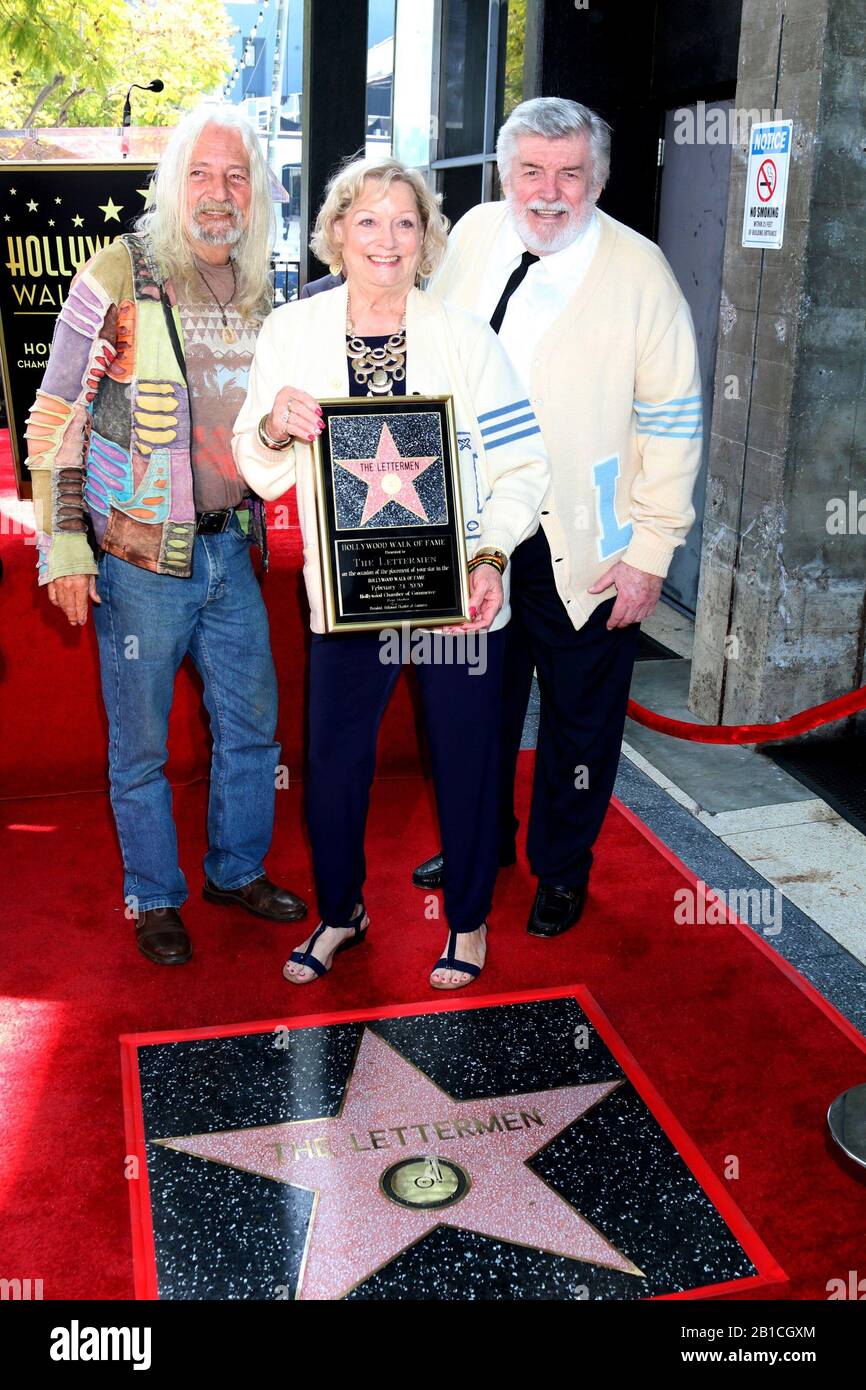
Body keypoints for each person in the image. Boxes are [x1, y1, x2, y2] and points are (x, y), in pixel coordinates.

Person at [233, 156, 549, 990]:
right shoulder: (290, 333)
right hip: (349, 598)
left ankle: (470, 921)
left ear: (427, 238)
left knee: (467, 757)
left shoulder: (467, 337)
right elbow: (255, 466)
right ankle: (342, 912)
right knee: (334, 762)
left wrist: (488, 559)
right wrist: (272, 426)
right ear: (336, 231)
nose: (386, 238)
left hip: (458, 599)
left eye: (405, 222)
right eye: (367, 219)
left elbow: (524, 464)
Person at [414, 97, 703, 937]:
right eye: (531, 172)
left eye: (570, 173)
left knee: (579, 721)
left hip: (589, 542)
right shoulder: (471, 234)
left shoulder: (640, 272)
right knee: (474, 709)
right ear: (506, 173)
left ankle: (562, 869)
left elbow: (675, 420)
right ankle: (481, 845)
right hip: (477, 531)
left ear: (598, 179)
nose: (549, 192)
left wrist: (652, 550)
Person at [25, 108, 307, 966]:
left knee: (253, 729)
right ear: (172, 184)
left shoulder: (267, 289)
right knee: (140, 742)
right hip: (140, 555)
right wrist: (64, 545)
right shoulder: (116, 272)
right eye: (201, 174)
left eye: (235, 178)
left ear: (255, 195)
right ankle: (152, 896)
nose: (218, 194)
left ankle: (235, 869)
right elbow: (55, 414)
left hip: (232, 548)